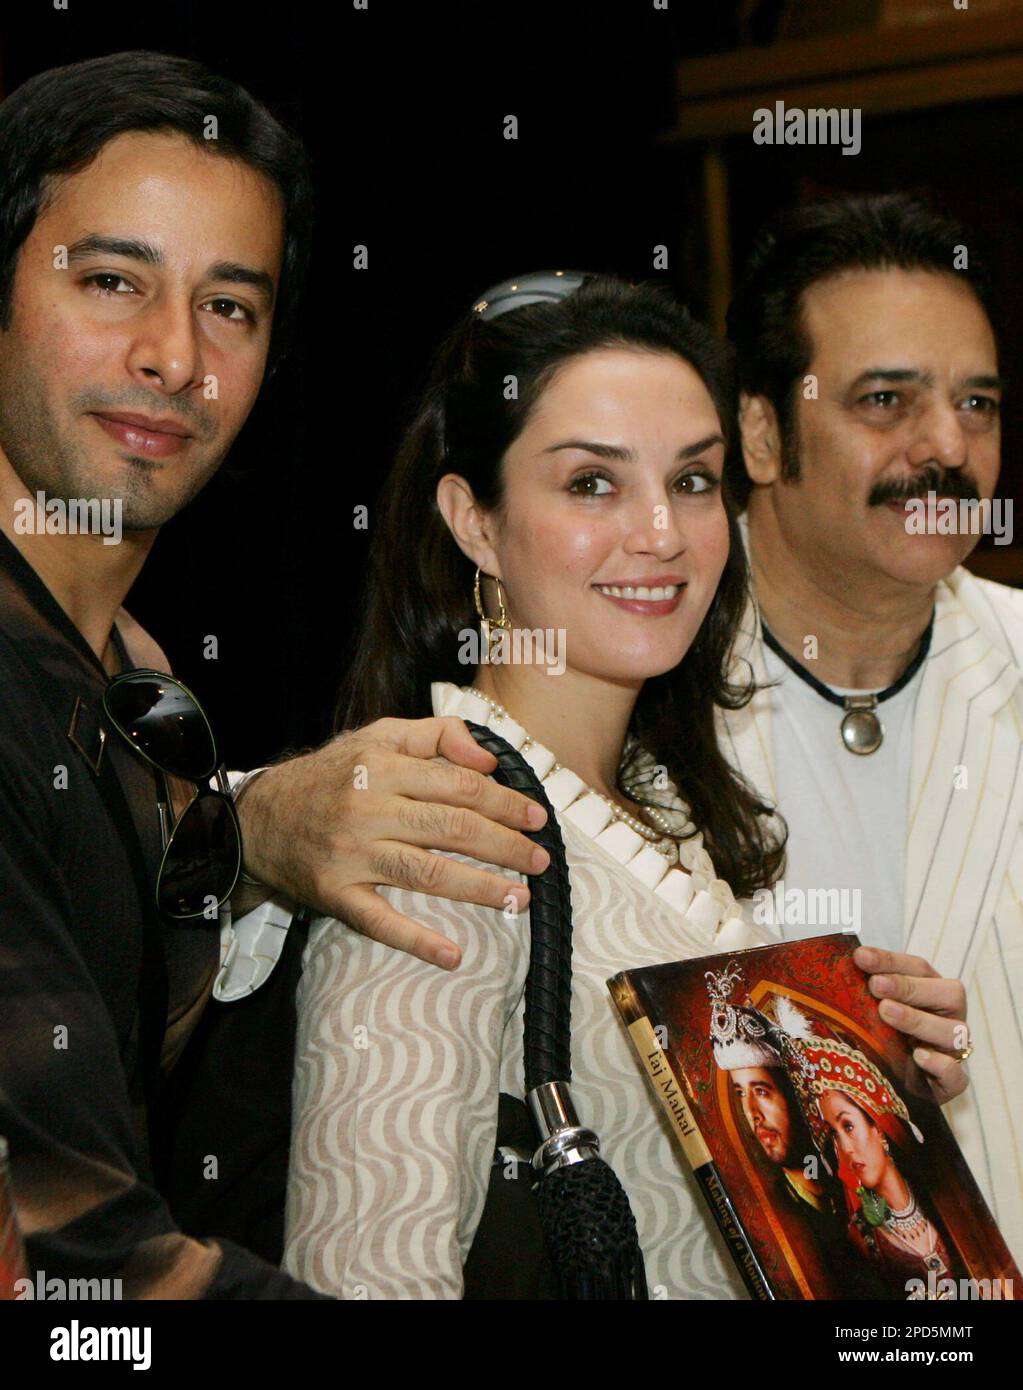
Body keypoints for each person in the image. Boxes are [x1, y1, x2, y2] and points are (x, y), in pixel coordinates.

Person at [278, 273, 969, 1299]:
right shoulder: (438, 830)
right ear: (473, 519)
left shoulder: (670, 803)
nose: (661, 531)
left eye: (693, 480)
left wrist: (870, 1096)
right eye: (593, 483)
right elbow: (367, 1278)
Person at [0, 51, 548, 1299]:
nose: (172, 356)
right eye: (111, 280)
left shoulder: (138, 691)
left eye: (229, 306)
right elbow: (77, 1273)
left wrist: (246, 834)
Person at [723, 193, 1023, 1263]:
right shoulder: (629, 692)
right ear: (763, 432)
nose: (947, 447)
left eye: (978, 403)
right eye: (886, 400)